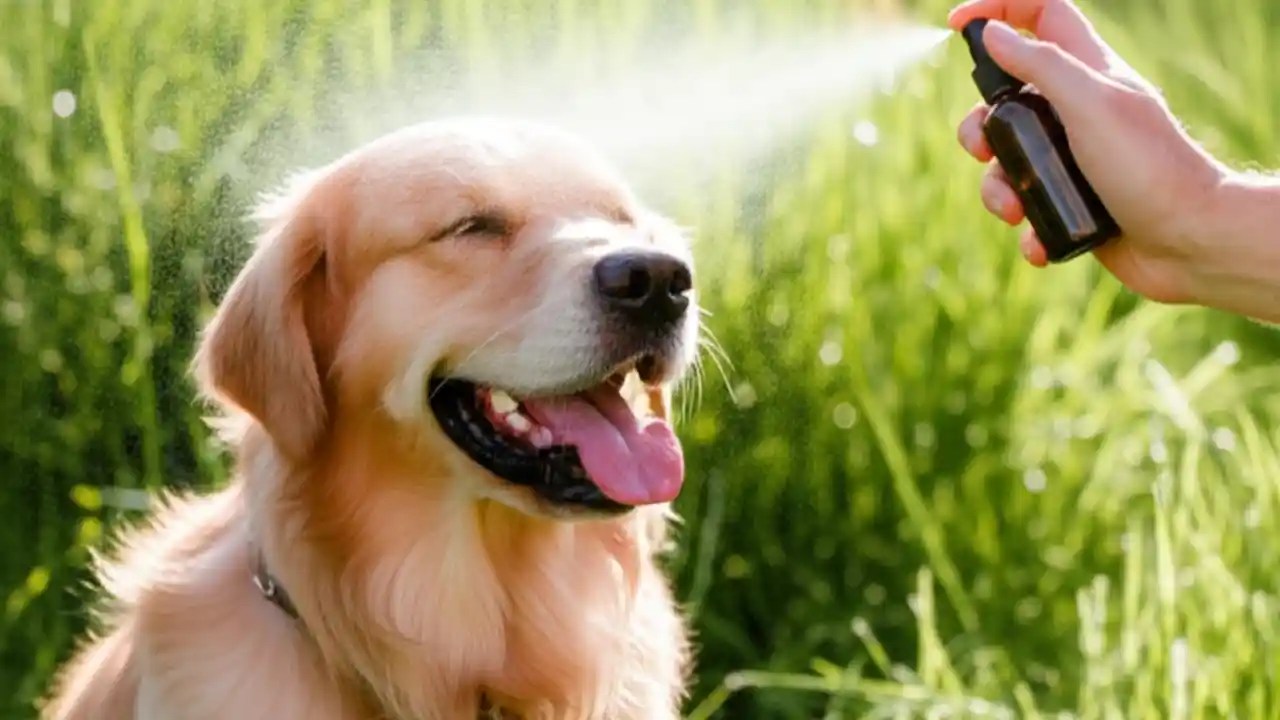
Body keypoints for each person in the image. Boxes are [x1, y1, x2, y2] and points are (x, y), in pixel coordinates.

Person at [947, 0, 1280, 324]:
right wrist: (1189, 218)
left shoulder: (1026, 108)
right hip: (1153, 237)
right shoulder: (1008, 116)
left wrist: (1189, 214)